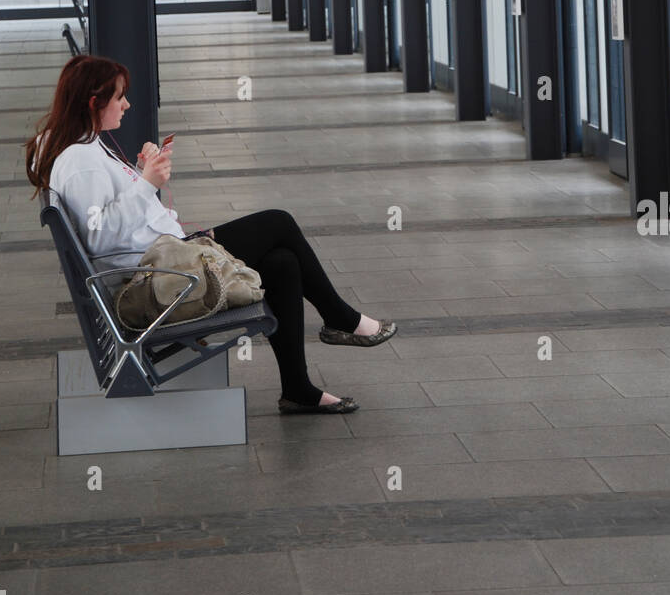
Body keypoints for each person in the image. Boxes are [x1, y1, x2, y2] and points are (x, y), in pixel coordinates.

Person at [25, 54, 396, 414]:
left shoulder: (84, 150)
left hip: (163, 261)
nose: (127, 104)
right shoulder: (80, 162)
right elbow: (100, 237)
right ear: (94, 102)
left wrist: (140, 173)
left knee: (282, 263)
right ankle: (341, 320)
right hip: (160, 279)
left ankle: (298, 388)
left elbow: (107, 219)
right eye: (119, 96)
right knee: (277, 222)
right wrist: (145, 184)